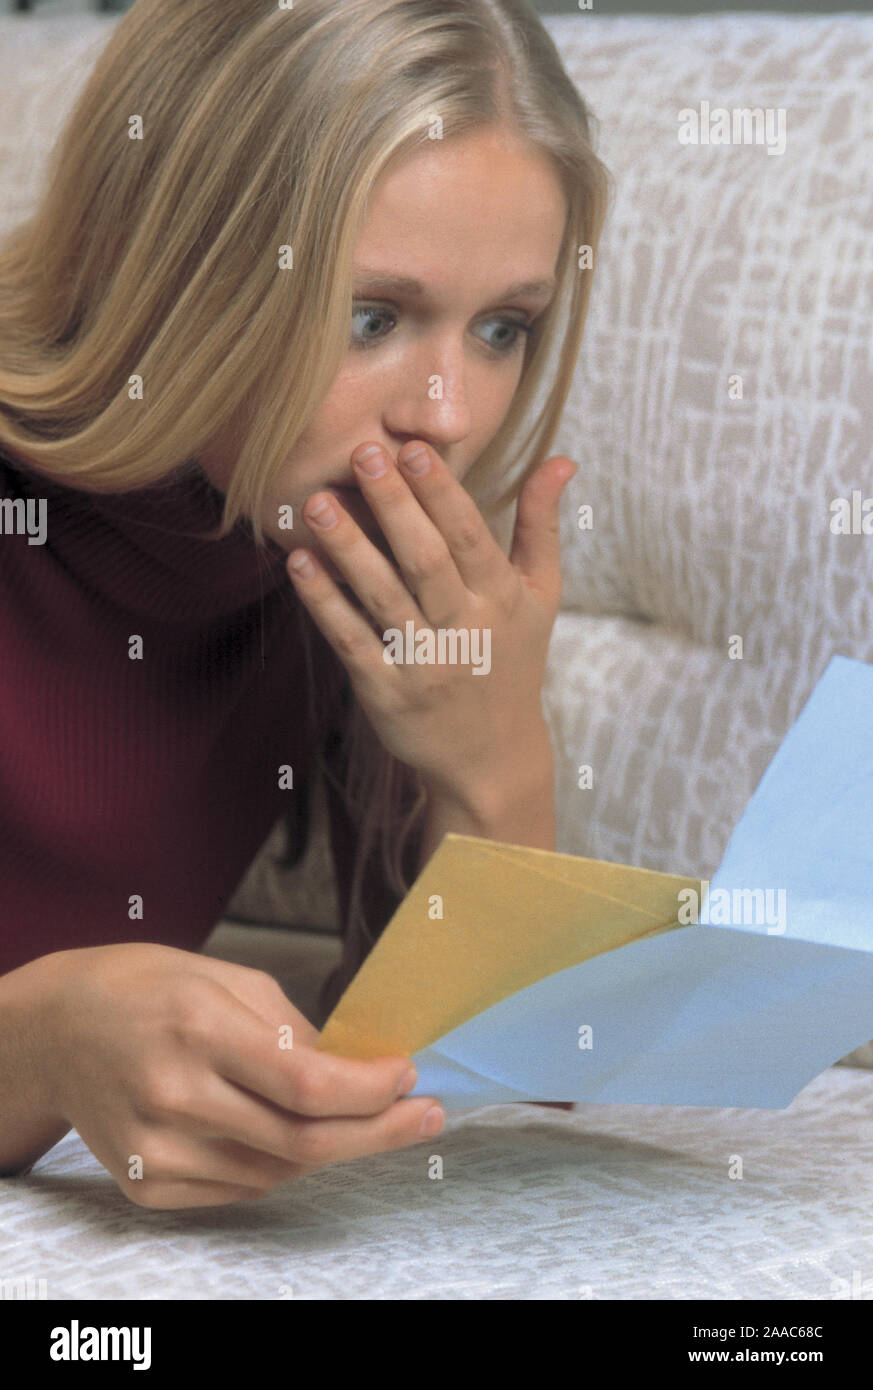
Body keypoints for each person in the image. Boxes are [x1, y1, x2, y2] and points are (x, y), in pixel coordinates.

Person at [0, 0, 610, 1208]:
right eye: (372, 317)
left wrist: (497, 774)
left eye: (503, 328)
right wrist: (37, 1039)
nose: (445, 412)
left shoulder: (333, 554)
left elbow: (466, 1099)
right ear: (171, 266)